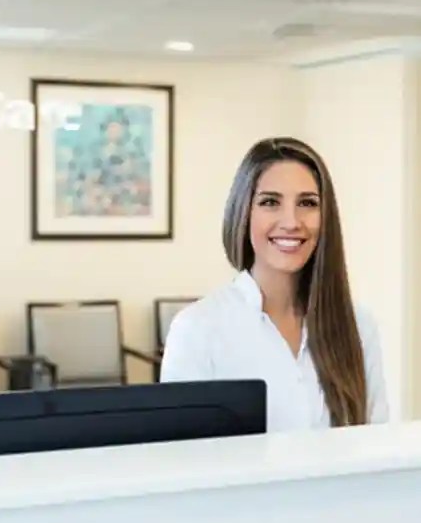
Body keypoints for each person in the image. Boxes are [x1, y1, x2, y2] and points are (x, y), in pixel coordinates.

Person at [159, 137, 389, 431]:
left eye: (307, 203)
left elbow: (377, 444)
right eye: (270, 202)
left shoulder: (358, 325)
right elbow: (182, 460)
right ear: (244, 212)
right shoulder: (198, 329)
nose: (291, 221)